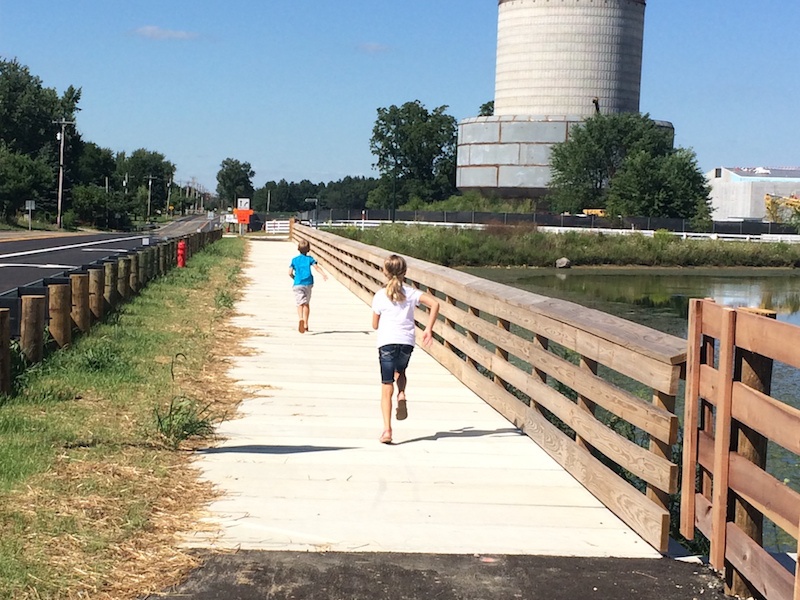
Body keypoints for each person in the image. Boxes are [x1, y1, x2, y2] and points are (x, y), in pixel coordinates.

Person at [371, 254, 440, 444]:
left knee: (386, 386)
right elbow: (435, 303)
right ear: (405, 272)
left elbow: (375, 325)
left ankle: (387, 430)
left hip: (386, 342)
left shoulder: (379, 295)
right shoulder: (412, 293)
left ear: (385, 272)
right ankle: (402, 393)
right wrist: (428, 329)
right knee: (400, 370)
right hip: (407, 342)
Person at [289, 239, 327, 333]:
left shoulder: (294, 260)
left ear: (298, 249)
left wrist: (294, 278)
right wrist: (323, 274)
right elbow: (316, 267)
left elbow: (289, 272)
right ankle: (306, 324)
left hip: (298, 283)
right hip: (308, 283)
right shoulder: (310, 259)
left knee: (299, 303)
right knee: (306, 303)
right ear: (308, 249)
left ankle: (300, 318)